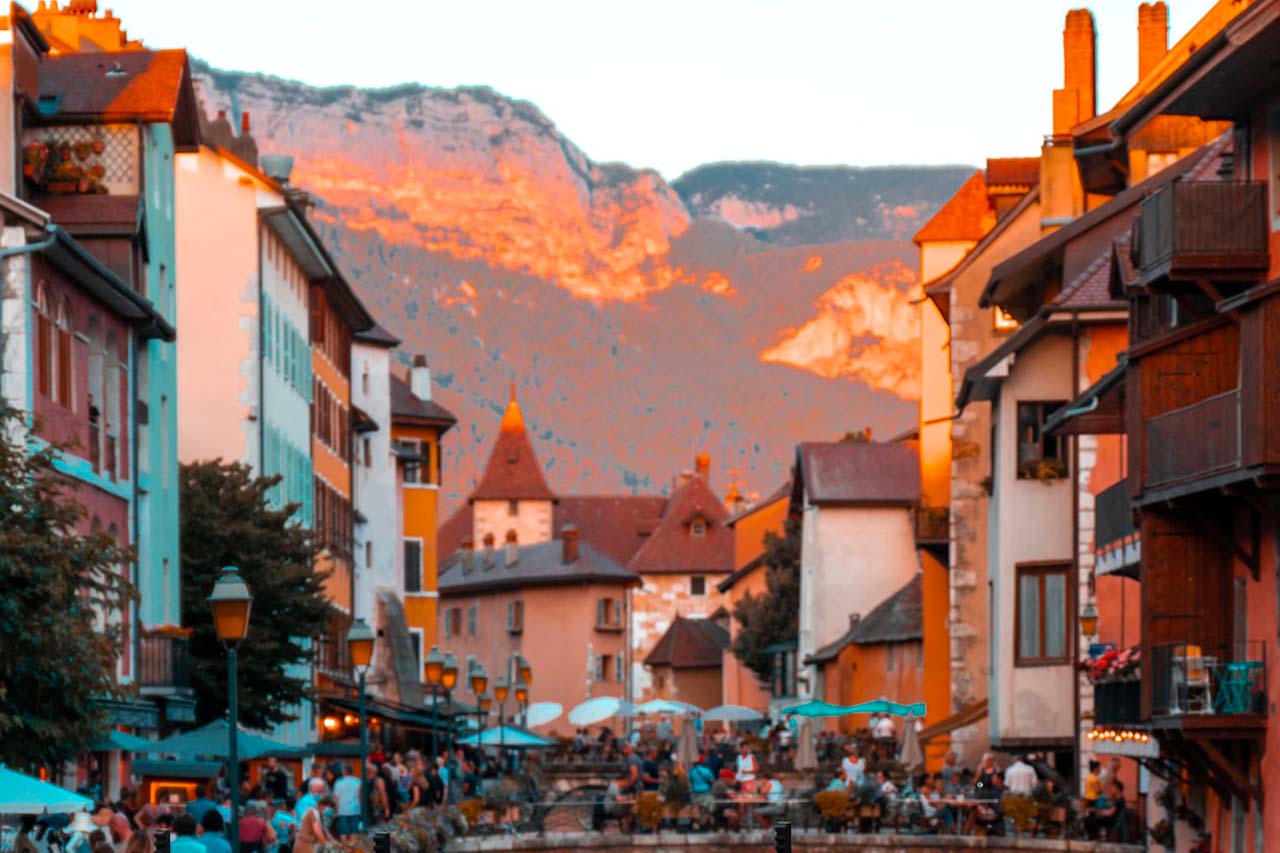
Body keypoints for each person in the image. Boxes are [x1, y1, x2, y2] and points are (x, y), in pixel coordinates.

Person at [331, 763, 361, 837]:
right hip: (355, 809)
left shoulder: (338, 782)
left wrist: (335, 810)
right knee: (354, 832)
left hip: (342, 810)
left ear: (344, 771)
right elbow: (360, 796)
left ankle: (344, 848)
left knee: (342, 833)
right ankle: (353, 848)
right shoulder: (358, 781)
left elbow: (336, 797)